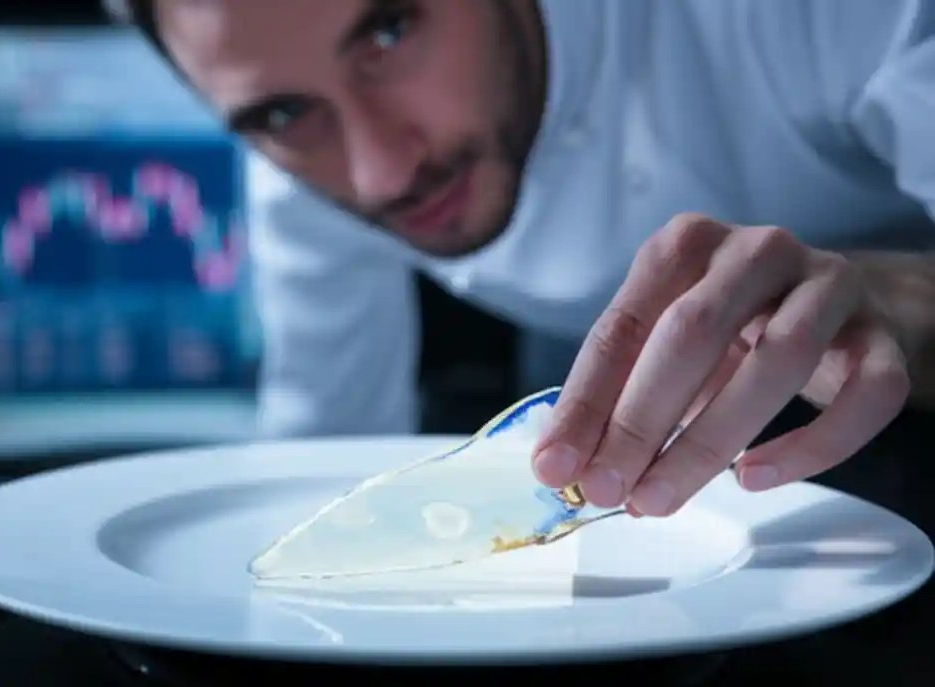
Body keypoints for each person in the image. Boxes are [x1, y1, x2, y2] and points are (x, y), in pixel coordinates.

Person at [105, 0, 935, 518]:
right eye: (283, 112)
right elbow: (316, 471)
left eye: (391, 29)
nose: (380, 173)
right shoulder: (306, 161)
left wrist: (892, 302)